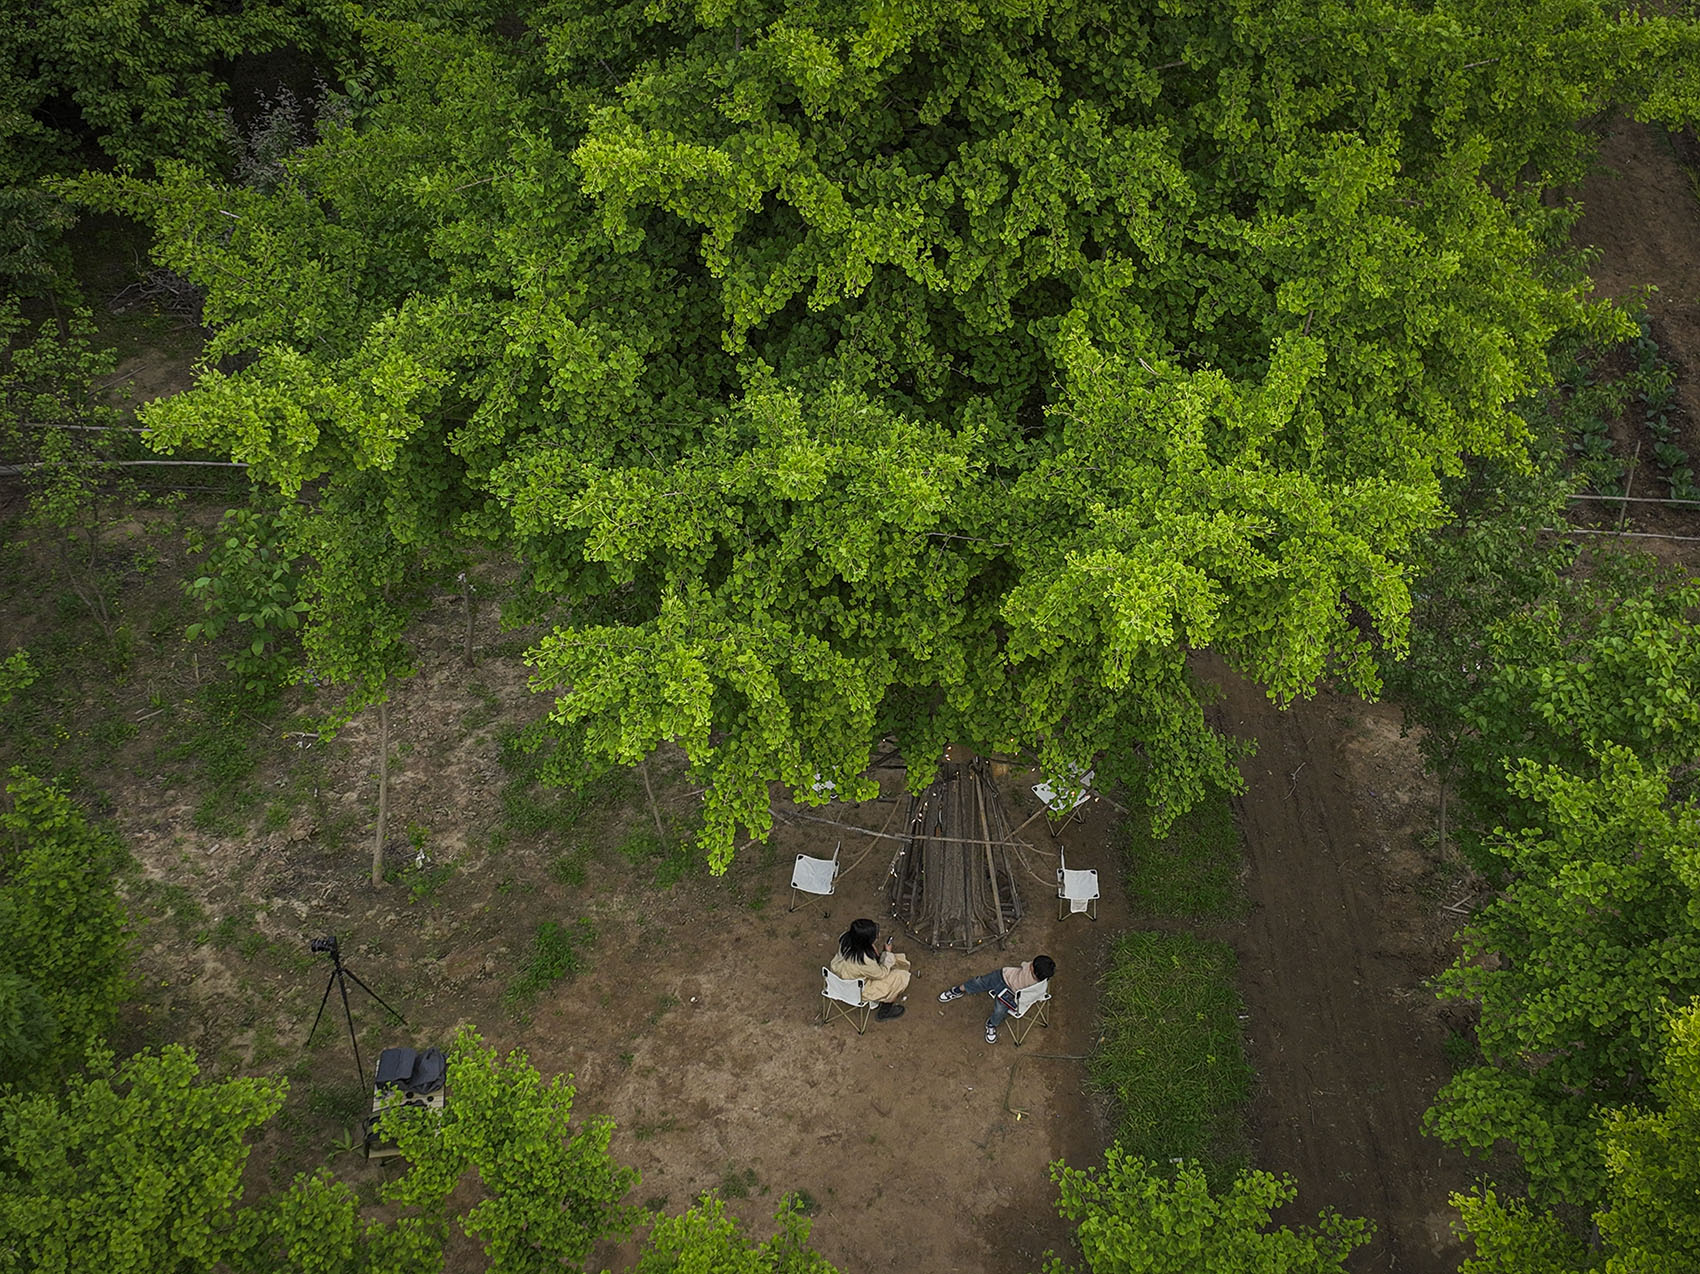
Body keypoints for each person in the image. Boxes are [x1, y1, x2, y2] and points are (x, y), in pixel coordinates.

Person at [938, 954, 1055, 1043]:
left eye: (1032, 966)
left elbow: (1029, 998)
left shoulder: (1039, 987)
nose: (1029, 965)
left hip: (1010, 994)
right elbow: (1025, 964)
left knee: (999, 1010)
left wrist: (1016, 1001)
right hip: (1003, 976)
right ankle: (958, 990)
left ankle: (991, 1024)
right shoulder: (1030, 967)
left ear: (1035, 973)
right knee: (979, 981)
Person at [829, 918, 912, 1021]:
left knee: (891, 961)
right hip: (856, 991)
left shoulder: (845, 939)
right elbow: (882, 973)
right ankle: (885, 1011)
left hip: (836, 982)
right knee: (901, 976)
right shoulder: (865, 960)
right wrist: (888, 952)